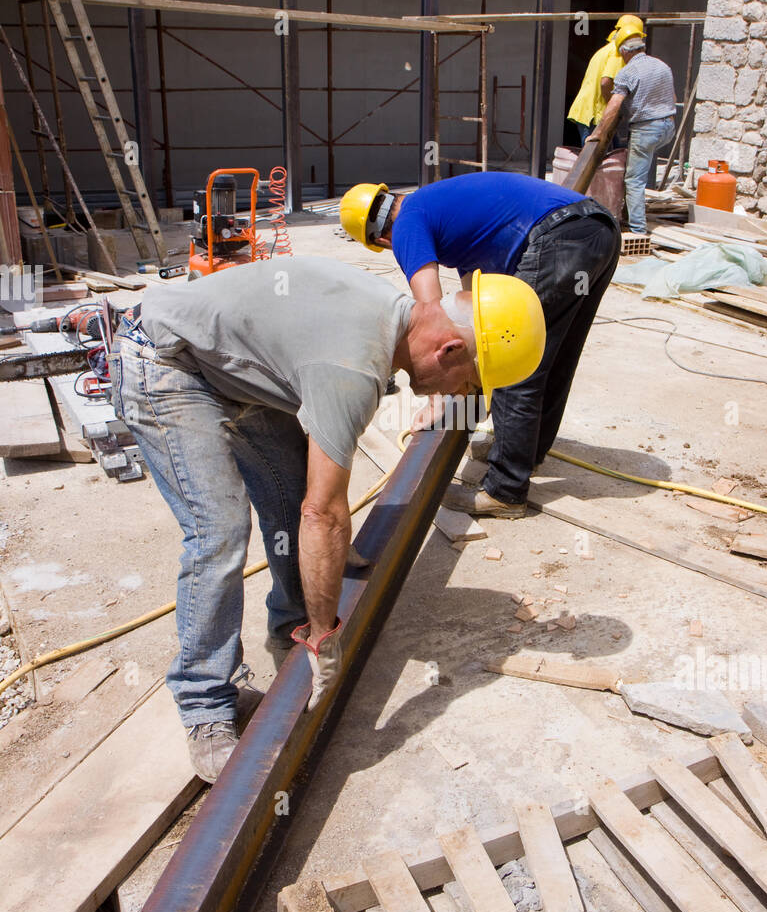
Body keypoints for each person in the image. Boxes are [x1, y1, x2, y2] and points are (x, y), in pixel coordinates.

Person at [108, 256, 544, 781]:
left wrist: (325, 560)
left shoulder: (392, 317)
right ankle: (204, 705)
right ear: (449, 348)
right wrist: (325, 634)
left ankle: (288, 628)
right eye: (468, 383)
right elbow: (324, 512)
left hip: (230, 368)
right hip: (165, 361)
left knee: (290, 499)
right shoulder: (353, 368)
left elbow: (311, 509)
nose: (461, 396)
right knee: (219, 532)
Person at [339, 171, 620, 520]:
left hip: (560, 238)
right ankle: (524, 452)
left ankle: (505, 490)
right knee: (551, 355)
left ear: (379, 240)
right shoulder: (446, 217)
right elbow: (474, 306)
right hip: (597, 229)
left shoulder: (408, 224)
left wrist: (439, 400)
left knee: (511, 356)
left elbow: (434, 318)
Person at [588, 33, 676, 236]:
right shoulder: (663, 66)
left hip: (647, 128)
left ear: (625, 52)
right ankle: (630, 214)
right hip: (668, 126)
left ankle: (637, 230)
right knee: (639, 167)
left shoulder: (628, 72)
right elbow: (672, 97)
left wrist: (599, 132)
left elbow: (614, 103)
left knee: (634, 180)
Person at [566, 14, 644, 145]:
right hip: (594, 114)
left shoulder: (607, 49)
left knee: (607, 155)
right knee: (592, 160)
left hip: (589, 111)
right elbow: (606, 82)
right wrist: (614, 108)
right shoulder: (618, 53)